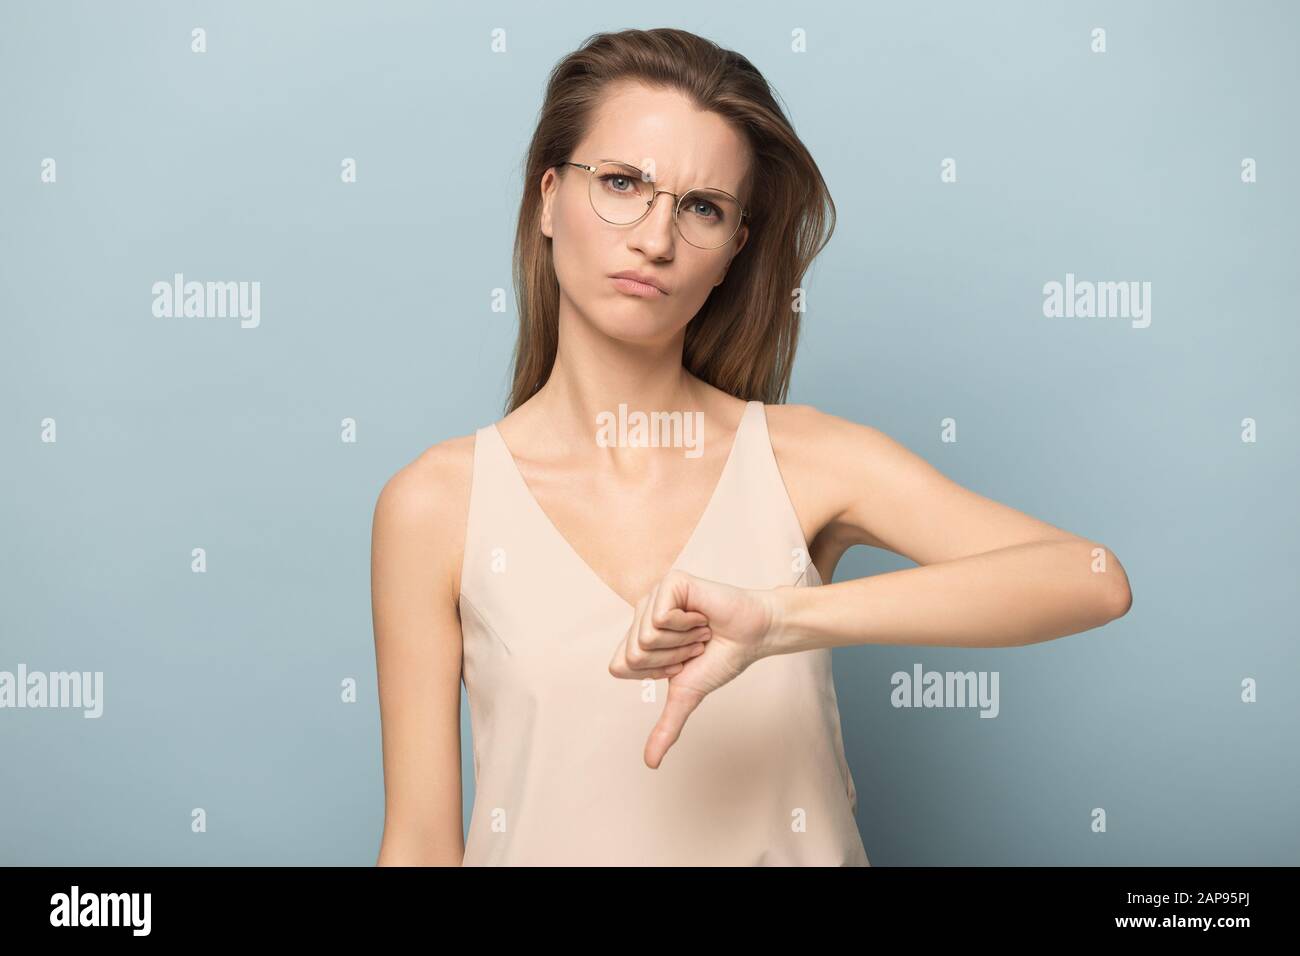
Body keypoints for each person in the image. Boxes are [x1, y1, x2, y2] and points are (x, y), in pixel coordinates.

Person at [371, 28, 1132, 866]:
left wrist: (782, 619)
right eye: (622, 184)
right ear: (548, 199)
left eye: (702, 207)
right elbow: (418, 842)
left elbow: (1092, 582)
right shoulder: (439, 504)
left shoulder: (807, 461)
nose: (655, 239)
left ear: (735, 248)